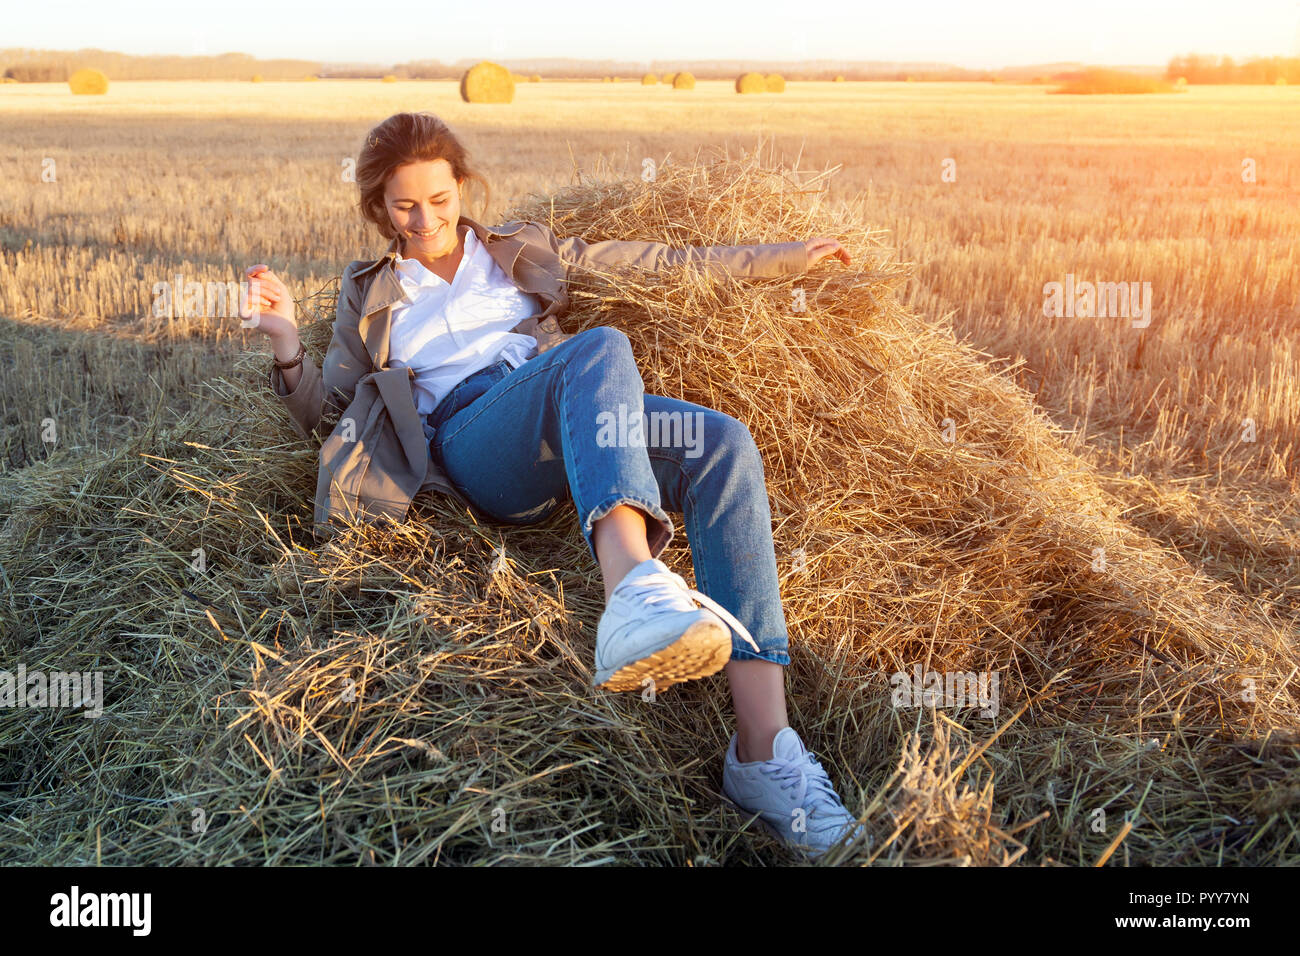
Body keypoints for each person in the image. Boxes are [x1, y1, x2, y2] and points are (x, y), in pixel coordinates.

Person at [242, 111, 864, 858]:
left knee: (722, 443)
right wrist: (284, 345)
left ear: (461, 185)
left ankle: (765, 756)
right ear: (378, 207)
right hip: (478, 445)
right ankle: (631, 584)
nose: (426, 219)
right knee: (594, 351)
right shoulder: (369, 294)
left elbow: (657, 261)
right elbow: (331, 417)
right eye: (405, 205)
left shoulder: (519, 247)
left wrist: (784, 258)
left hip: (578, 423)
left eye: (440, 199)